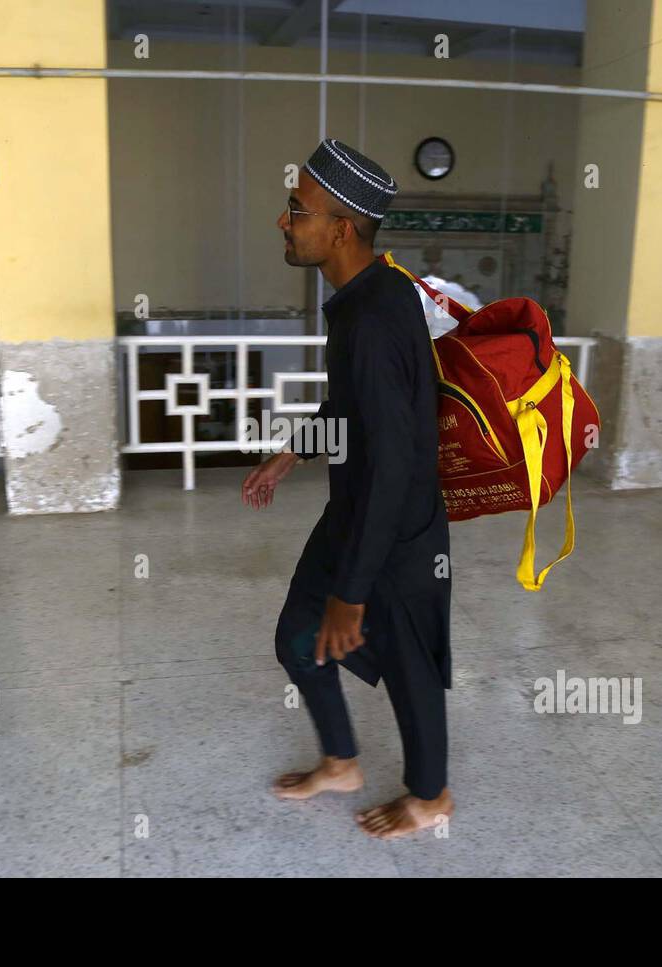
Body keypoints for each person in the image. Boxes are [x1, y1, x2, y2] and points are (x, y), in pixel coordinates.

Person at [241, 139, 453, 839]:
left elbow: (394, 462)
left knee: (407, 663)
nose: (284, 221)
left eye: (296, 210)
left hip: (394, 527)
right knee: (298, 639)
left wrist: (353, 588)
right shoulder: (373, 292)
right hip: (356, 512)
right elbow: (357, 409)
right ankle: (342, 760)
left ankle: (430, 798)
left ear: (340, 229)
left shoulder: (370, 317)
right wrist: (293, 452)